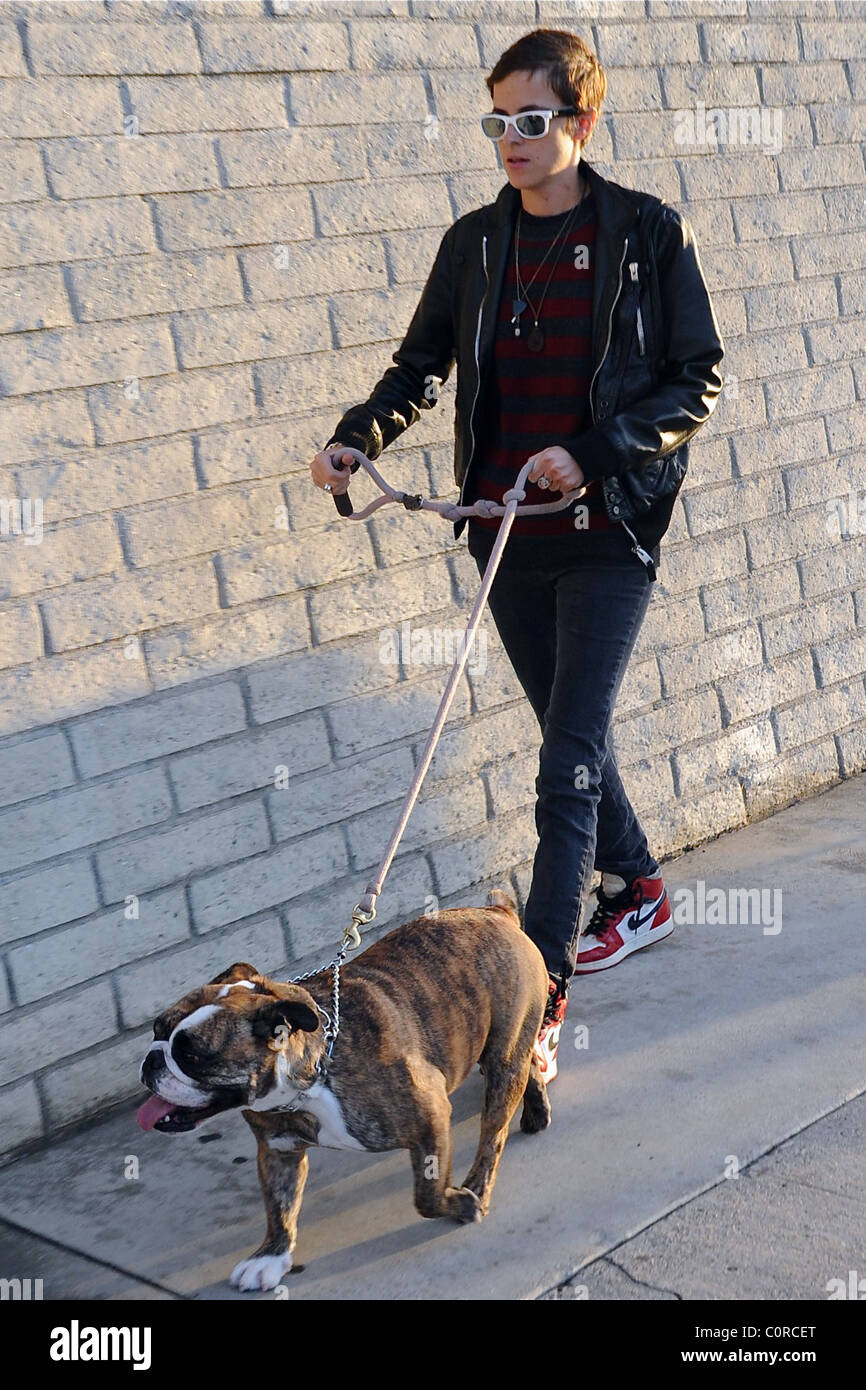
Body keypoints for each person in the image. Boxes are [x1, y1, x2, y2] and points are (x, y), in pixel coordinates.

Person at [310, 29, 724, 1084]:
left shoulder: (643, 233)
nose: (510, 140)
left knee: (562, 761)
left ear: (580, 124)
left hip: (606, 531)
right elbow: (421, 363)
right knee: (568, 737)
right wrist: (363, 432)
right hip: (500, 532)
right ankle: (638, 889)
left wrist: (587, 455)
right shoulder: (475, 242)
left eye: (530, 121)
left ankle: (538, 1003)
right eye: (496, 121)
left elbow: (693, 381)